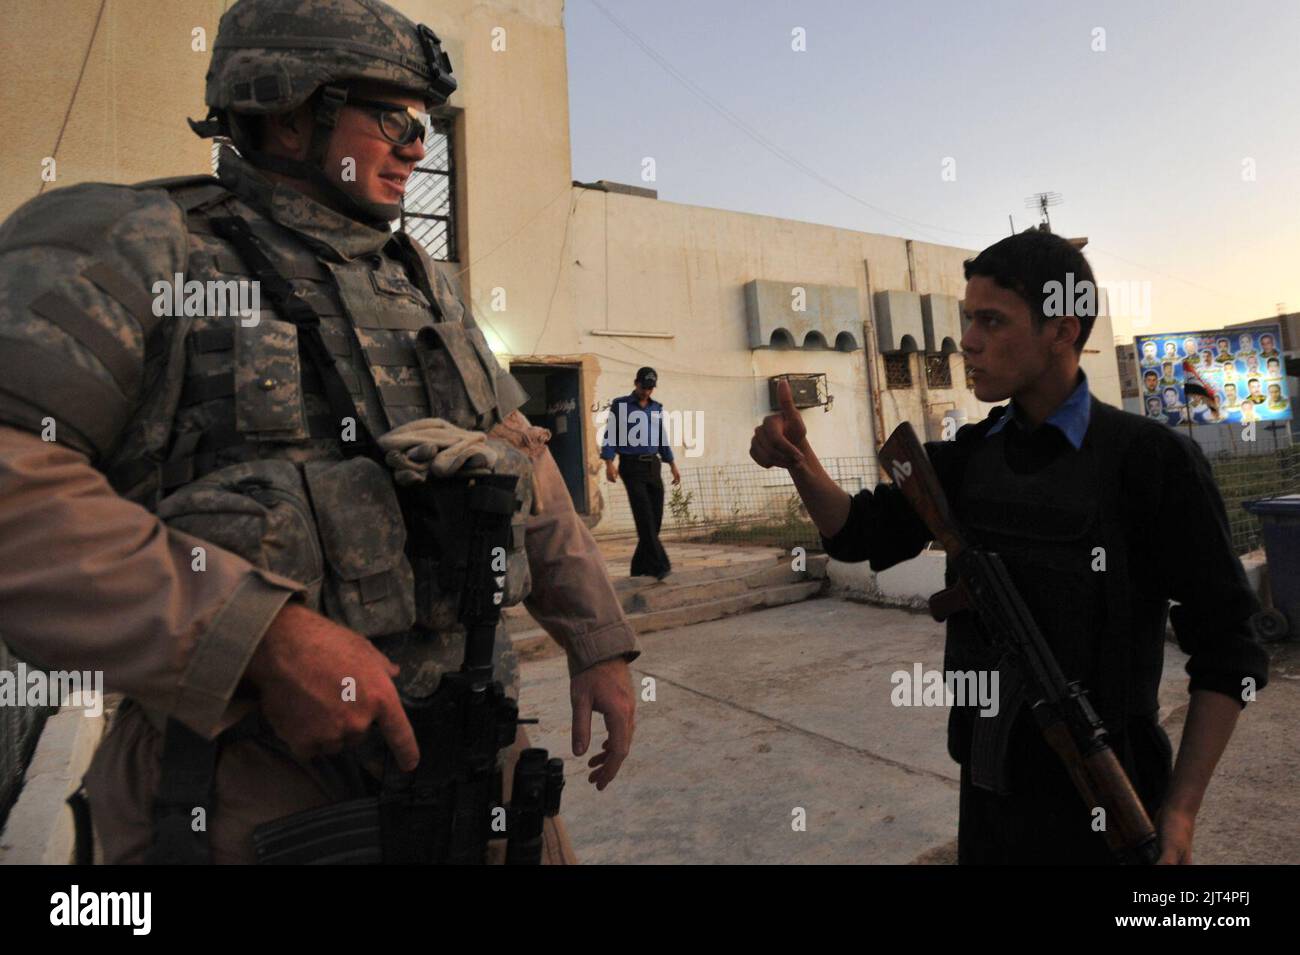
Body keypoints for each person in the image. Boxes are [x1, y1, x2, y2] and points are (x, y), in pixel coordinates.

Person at [0, 0, 640, 864]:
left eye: (423, 121)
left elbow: (522, 462)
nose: (419, 145)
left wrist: (596, 642)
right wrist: (253, 635)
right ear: (291, 114)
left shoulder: (425, 283)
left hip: (469, 758)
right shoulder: (147, 247)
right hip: (251, 788)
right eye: (392, 116)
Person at [751, 230, 1268, 864]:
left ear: (1062, 329)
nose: (967, 340)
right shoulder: (972, 457)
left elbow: (1230, 648)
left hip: (1112, 796)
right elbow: (857, 532)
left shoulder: (1150, 461)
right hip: (992, 798)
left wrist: (1181, 811)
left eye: (991, 321)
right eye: (969, 319)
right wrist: (798, 460)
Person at [601, 367, 681, 580]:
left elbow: (661, 437)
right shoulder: (621, 405)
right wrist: (609, 463)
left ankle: (638, 567)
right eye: (644, 387)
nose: (647, 392)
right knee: (644, 517)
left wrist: (672, 463)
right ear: (636, 383)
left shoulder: (656, 408)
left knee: (655, 520)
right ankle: (660, 565)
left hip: (653, 465)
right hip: (631, 466)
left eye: (650, 388)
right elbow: (611, 434)